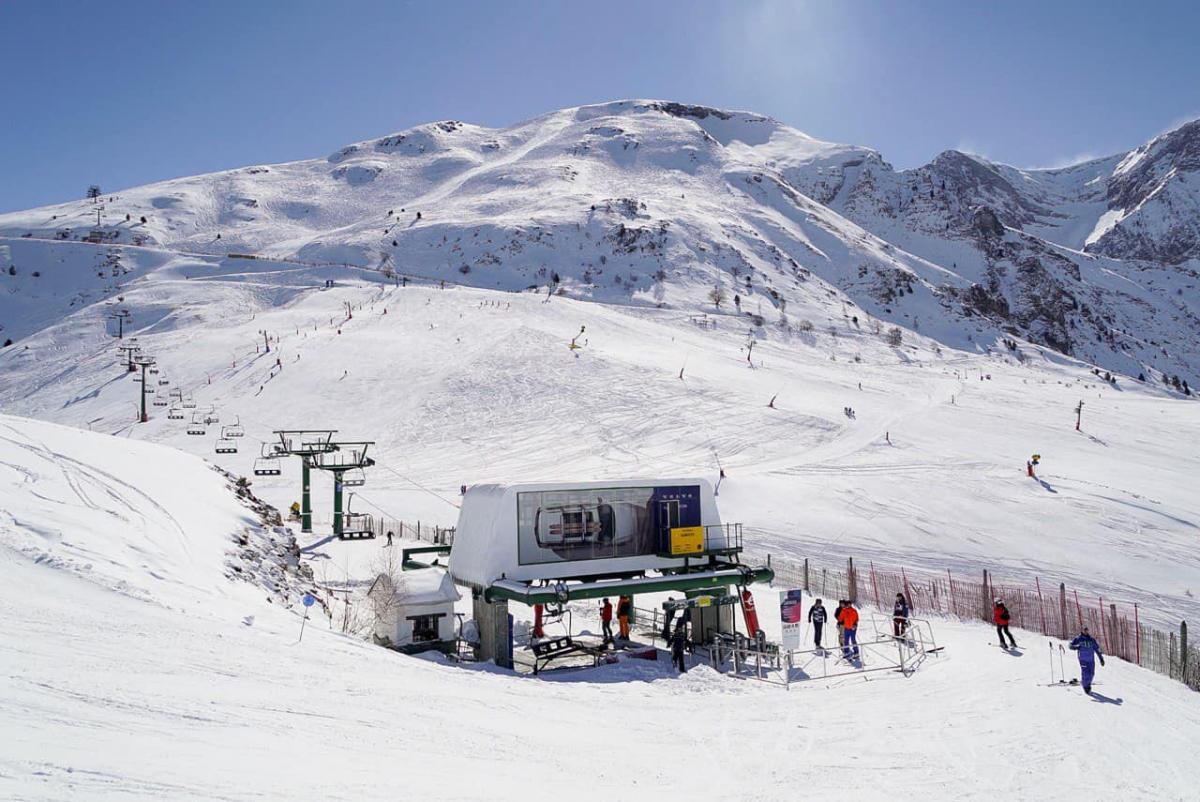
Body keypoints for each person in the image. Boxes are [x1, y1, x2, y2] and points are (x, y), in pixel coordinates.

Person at [1070, 627, 1105, 693]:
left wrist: (1101, 659)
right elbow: (1070, 645)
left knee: (1092, 674)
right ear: (1082, 630)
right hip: (1083, 659)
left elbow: (1097, 650)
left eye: (1087, 630)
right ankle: (1085, 686)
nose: (1085, 631)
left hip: (1091, 660)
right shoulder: (1078, 638)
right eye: (1084, 630)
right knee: (1085, 673)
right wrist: (1075, 647)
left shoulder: (1092, 640)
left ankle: (1087, 684)